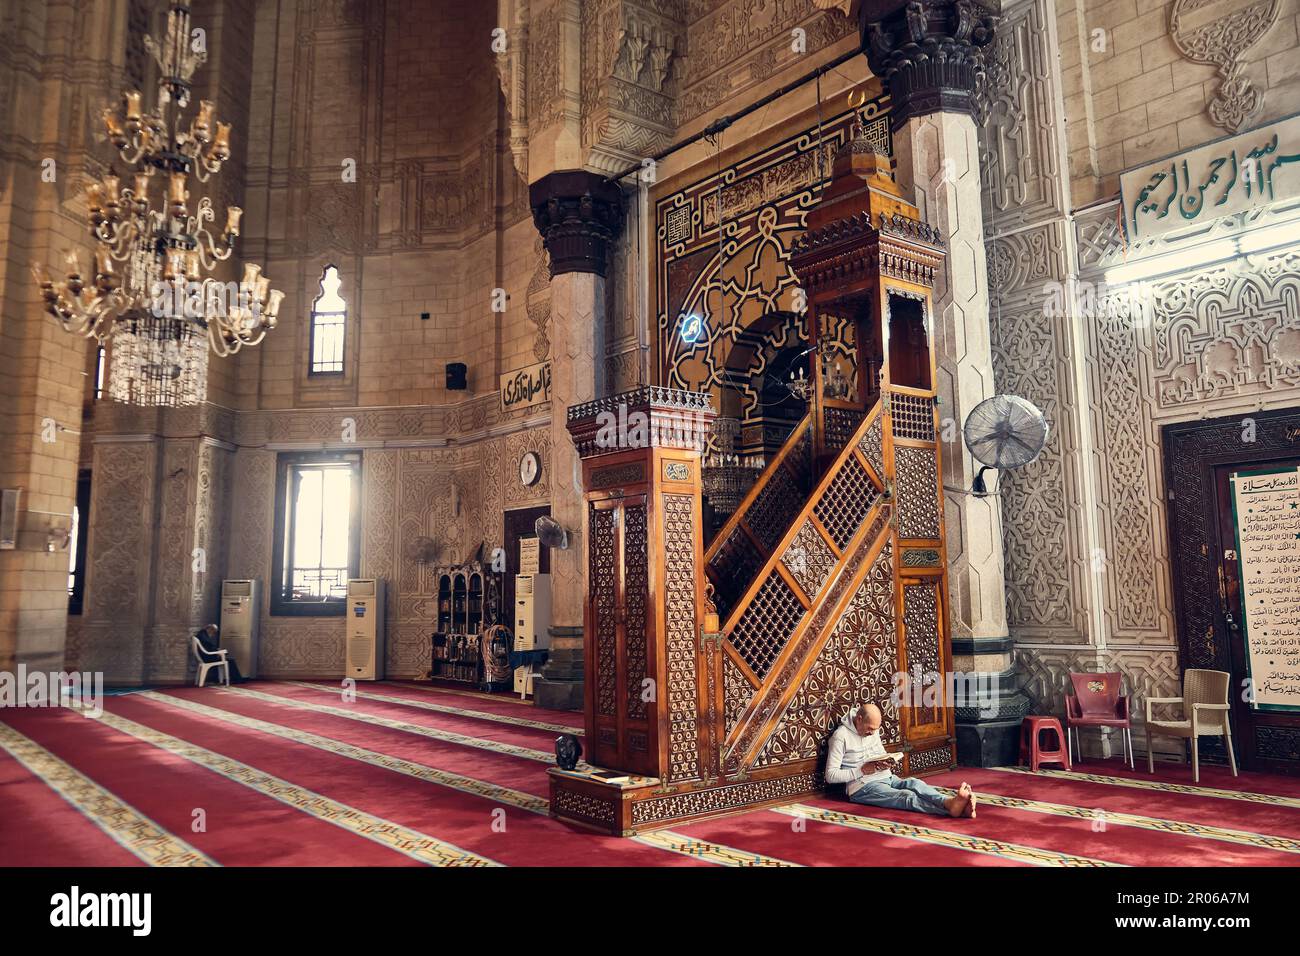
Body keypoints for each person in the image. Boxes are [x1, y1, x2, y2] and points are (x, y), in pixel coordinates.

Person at [825, 702, 977, 818]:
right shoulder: (841, 736)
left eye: (875, 729)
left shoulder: (873, 729)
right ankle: (955, 810)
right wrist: (861, 770)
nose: (873, 733)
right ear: (859, 719)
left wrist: (886, 761)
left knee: (914, 783)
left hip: (885, 776)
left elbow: (879, 752)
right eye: (870, 729)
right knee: (906, 796)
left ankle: (949, 802)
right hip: (862, 787)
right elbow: (830, 776)